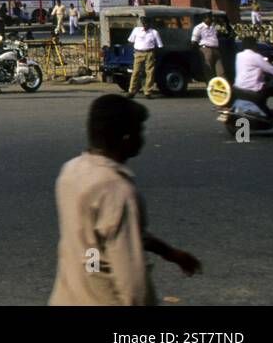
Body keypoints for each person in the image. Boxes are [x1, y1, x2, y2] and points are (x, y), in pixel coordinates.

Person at [50, 94, 201, 305]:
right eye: (140, 130)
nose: (143, 136)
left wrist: (169, 253)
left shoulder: (71, 170)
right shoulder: (115, 190)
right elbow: (131, 278)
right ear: (126, 137)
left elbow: (111, 232)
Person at [234, 36, 273, 113]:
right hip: (253, 89)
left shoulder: (239, 55)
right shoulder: (256, 56)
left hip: (238, 88)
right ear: (254, 45)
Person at [126, 15, 162, 99]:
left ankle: (148, 92)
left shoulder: (154, 32)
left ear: (149, 24)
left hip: (149, 53)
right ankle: (131, 91)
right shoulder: (136, 30)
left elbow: (159, 45)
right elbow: (130, 41)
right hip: (138, 53)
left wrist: (153, 53)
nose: (145, 25)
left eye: (146, 23)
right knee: (135, 72)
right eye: (144, 23)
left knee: (150, 72)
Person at [190, 14, 224, 79]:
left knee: (221, 71)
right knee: (209, 70)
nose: (212, 20)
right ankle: (210, 84)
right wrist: (198, 51)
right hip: (206, 49)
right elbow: (194, 41)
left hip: (216, 49)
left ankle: (222, 84)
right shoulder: (199, 27)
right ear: (205, 19)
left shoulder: (213, 27)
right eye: (210, 18)